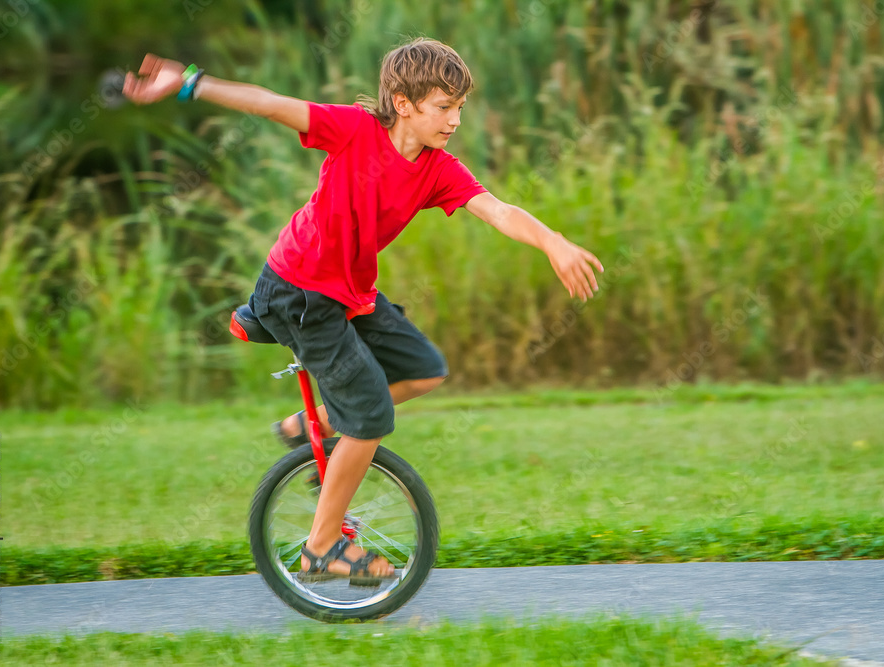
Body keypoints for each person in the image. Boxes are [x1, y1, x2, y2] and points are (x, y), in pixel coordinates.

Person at [123, 37, 603, 583]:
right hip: (298, 291)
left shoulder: (437, 170)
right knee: (371, 415)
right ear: (403, 103)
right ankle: (321, 547)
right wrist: (188, 82)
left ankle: (311, 426)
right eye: (444, 107)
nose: (455, 120)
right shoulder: (353, 131)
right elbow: (269, 103)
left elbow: (496, 210)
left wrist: (553, 242)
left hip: (349, 295)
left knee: (424, 369)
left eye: (460, 108)